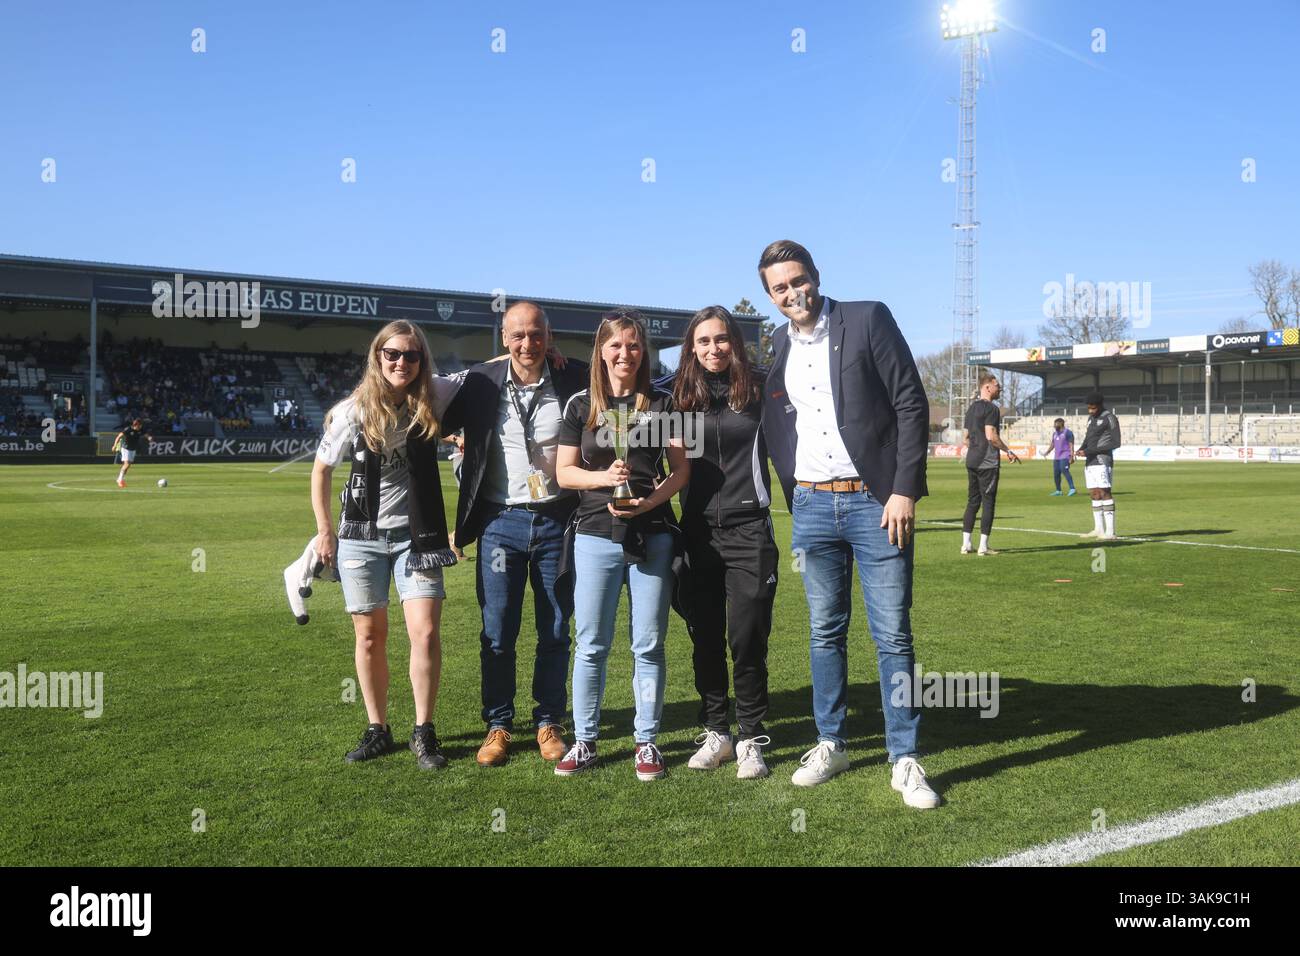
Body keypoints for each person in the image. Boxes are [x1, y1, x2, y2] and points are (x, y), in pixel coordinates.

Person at [758, 239, 940, 808]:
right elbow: (777, 422)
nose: (793, 293)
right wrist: (793, 491)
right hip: (812, 506)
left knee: (892, 635)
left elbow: (911, 401)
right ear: (771, 296)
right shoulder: (774, 345)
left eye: (798, 280)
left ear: (815, 275)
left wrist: (903, 488)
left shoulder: (866, 318)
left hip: (876, 502)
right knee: (823, 632)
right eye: (780, 288)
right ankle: (831, 741)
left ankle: (905, 758)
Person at [438, 302, 589, 767]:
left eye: (537, 335)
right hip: (500, 524)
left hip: (557, 520)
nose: (528, 344)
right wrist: (458, 442)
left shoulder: (575, 376)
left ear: (550, 337)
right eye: (519, 335)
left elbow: (624, 375)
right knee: (497, 632)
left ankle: (548, 721)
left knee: (557, 630)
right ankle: (498, 725)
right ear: (505, 338)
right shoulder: (482, 381)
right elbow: (431, 418)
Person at [310, 320, 464, 770]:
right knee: (370, 636)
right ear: (378, 357)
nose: (402, 362)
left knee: (426, 631)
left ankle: (424, 731)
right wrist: (324, 530)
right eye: (392, 354)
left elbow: (486, 369)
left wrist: (541, 353)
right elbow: (321, 471)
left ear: (422, 361)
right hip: (361, 537)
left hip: (418, 537)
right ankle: (377, 728)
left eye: (411, 355)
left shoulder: (433, 394)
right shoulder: (351, 412)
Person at [553, 309, 690, 781]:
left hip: (651, 535)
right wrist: (603, 478)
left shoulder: (665, 404)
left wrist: (647, 501)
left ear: (642, 352)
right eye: (616, 345)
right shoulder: (580, 405)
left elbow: (682, 472)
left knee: (648, 644)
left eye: (633, 345)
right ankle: (586, 740)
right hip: (594, 533)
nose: (625, 353)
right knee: (591, 643)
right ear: (601, 351)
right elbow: (563, 473)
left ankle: (646, 743)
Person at [668, 306, 778, 780]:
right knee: (705, 636)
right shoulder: (674, 397)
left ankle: (752, 736)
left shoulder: (761, 389)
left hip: (750, 528)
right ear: (691, 347)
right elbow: (624, 420)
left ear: (735, 340)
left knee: (747, 637)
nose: (713, 349)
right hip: (695, 532)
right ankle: (717, 731)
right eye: (703, 341)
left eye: (721, 339)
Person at [960, 372, 1021, 556]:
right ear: (987, 387)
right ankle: (984, 547)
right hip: (987, 463)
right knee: (988, 503)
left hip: (972, 461)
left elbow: (965, 437)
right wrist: (1008, 451)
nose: (1000, 387)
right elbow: (991, 436)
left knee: (972, 502)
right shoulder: (992, 409)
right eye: (997, 385)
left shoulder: (971, 408)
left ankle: (966, 544)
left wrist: (975, 450)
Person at [1076, 392, 1122, 539]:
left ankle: (1110, 532)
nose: (1090, 411)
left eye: (1093, 408)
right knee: (1094, 494)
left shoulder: (1110, 418)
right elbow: (1088, 437)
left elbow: (1116, 442)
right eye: (1089, 408)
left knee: (1104, 492)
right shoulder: (1091, 418)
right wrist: (1080, 449)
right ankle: (1098, 529)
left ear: (1100, 405)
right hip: (1090, 461)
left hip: (1102, 460)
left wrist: (1089, 451)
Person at [112, 418, 151, 487]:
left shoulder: (140, 430)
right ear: (136, 425)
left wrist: (149, 438)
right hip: (126, 448)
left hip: (133, 449)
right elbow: (119, 436)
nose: (140, 427)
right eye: (140, 425)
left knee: (127, 466)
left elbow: (146, 435)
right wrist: (115, 445)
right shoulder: (128, 429)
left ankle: (120, 479)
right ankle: (120, 480)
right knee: (127, 464)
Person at [1047, 417, 1076, 496]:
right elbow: (1053, 444)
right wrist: (1048, 451)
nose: (1054, 426)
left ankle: (1072, 488)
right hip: (1057, 457)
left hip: (1065, 455)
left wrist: (1072, 456)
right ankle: (1058, 491)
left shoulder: (1068, 432)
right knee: (1056, 473)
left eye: (1055, 424)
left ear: (1061, 424)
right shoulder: (1054, 433)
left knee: (1065, 470)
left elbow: (1071, 445)